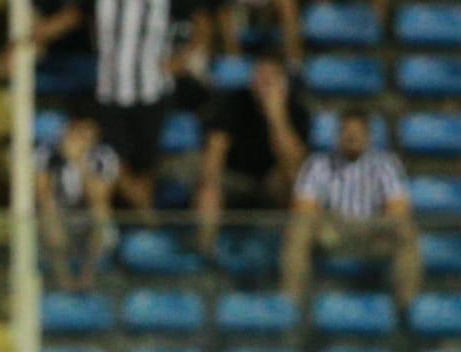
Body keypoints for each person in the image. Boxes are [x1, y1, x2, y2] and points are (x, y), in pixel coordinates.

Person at [283, 109, 421, 309]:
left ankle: (406, 309)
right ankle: (291, 306)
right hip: (330, 233)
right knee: (299, 228)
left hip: (372, 233)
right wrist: (332, 224)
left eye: (358, 131)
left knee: (406, 230)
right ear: (337, 135)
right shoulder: (317, 164)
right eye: (346, 131)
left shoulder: (386, 164)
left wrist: (367, 226)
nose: (352, 136)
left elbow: (398, 210)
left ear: (368, 135)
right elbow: (304, 208)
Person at [196, 51, 309, 253]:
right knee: (208, 190)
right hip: (235, 178)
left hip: (271, 182)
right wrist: (211, 181)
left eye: (270, 77)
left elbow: (294, 163)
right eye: (258, 75)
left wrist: (276, 116)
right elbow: (214, 152)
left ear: (282, 83)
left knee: (297, 184)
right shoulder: (233, 102)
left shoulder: (297, 110)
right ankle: (204, 257)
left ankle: (293, 250)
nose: (263, 82)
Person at [94, 0, 177, 211]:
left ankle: (145, 224)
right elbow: (75, 15)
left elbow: (200, 23)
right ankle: (144, 221)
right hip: (109, 93)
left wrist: (179, 62)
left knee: (144, 169)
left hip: (150, 92)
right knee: (113, 166)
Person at [37, 110, 121, 290]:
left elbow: (99, 196)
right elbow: (42, 192)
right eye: (77, 134)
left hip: (87, 213)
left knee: (101, 209)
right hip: (59, 214)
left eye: (86, 136)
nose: (81, 140)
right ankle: (64, 280)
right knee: (48, 209)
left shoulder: (104, 157)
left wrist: (80, 163)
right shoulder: (47, 154)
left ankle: (86, 276)